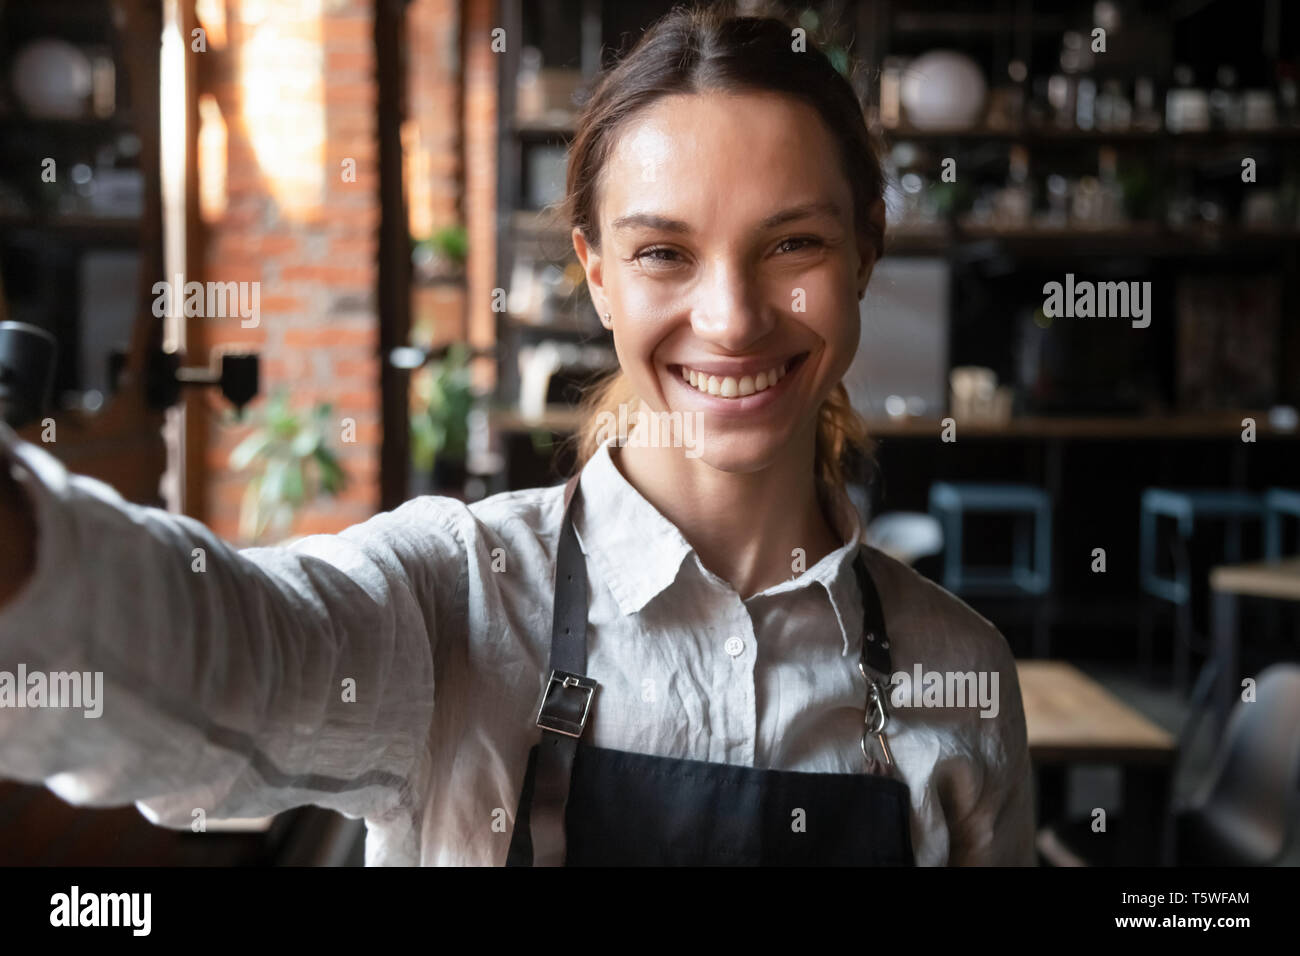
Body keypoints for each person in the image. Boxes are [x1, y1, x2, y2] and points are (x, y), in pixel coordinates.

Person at [0, 3, 1035, 866]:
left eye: (793, 242)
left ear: (864, 252)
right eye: (664, 251)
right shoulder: (454, 599)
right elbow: (225, 656)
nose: (730, 317)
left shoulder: (963, 672)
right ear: (596, 273)